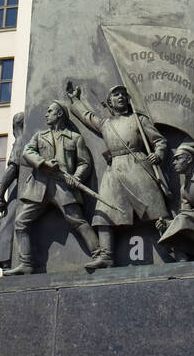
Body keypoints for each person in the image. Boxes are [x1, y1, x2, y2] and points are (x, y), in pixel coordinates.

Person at [65, 82, 169, 269]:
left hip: (138, 164)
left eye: (123, 94)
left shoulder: (138, 119)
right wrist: (74, 100)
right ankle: (106, 256)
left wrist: (158, 154)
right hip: (114, 170)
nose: (120, 97)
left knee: (155, 211)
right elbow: (87, 117)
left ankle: (174, 248)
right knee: (105, 212)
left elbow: (159, 141)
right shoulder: (106, 124)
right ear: (109, 102)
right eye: (116, 95)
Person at [9, 102, 100, 274]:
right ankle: (26, 263)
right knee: (21, 222)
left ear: (59, 114)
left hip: (63, 186)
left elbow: (84, 163)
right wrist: (43, 163)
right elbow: (27, 152)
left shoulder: (74, 138)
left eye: (50, 111)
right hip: (40, 187)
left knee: (77, 221)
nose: (46, 114)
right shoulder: (39, 136)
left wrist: (77, 177)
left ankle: (99, 254)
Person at [0, 111, 27, 271]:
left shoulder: (21, 141)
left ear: (15, 126)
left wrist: (0, 194)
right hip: (23, 188)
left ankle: (7, 261)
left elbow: (12, 168)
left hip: (18, 190)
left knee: (8, 223)